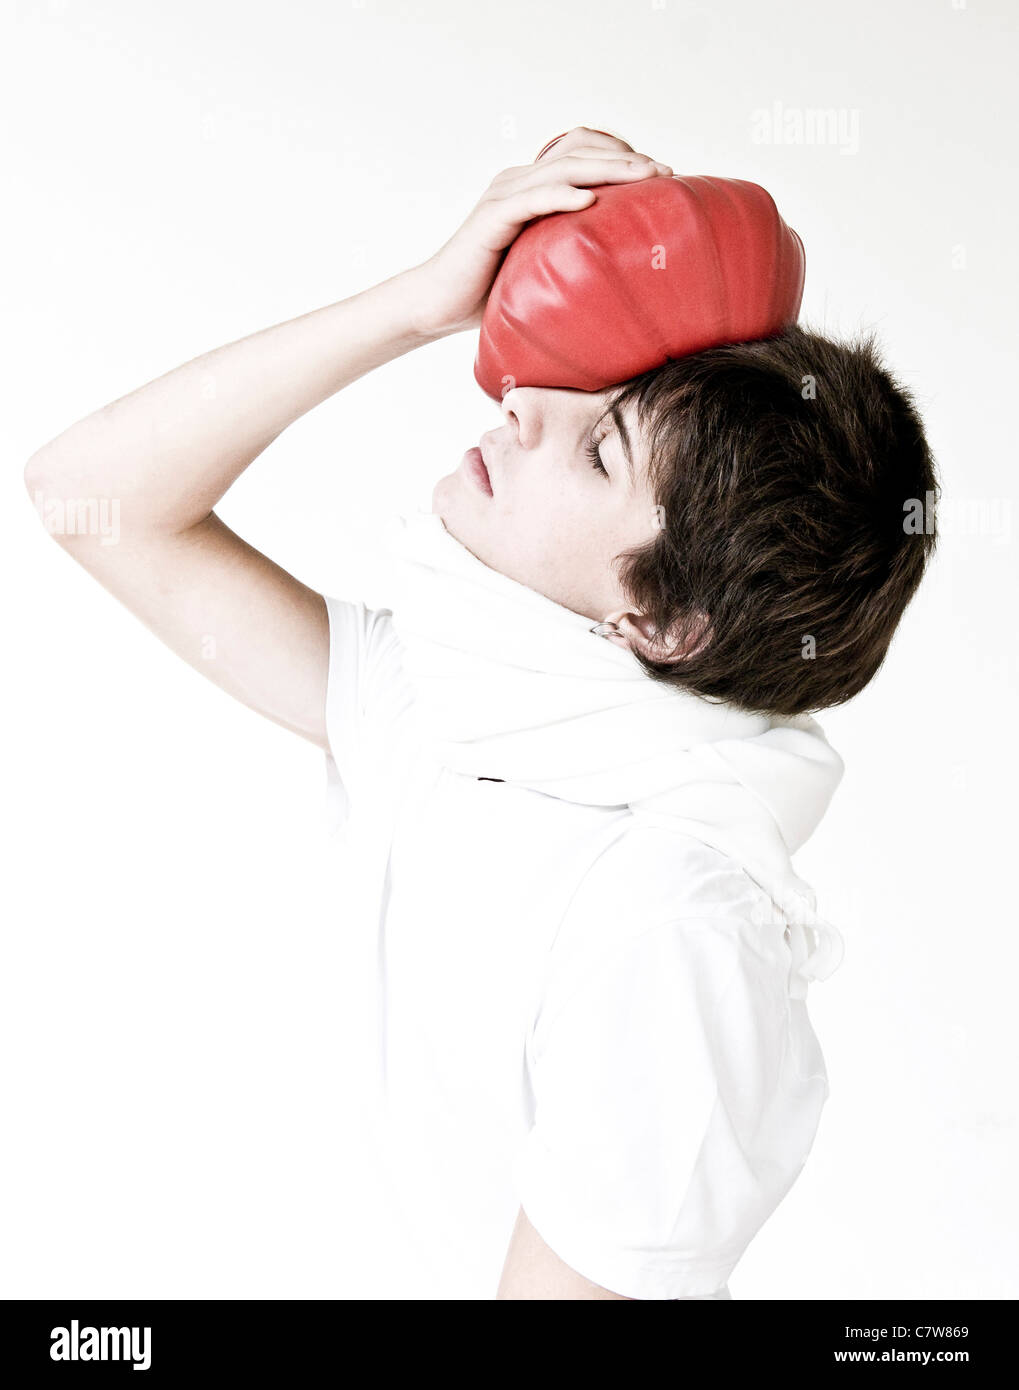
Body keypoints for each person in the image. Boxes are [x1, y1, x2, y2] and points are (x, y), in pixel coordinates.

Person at [25, 127, 939, 1300]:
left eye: (600, 449)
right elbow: (91, 497)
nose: (527, 404)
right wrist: (415, 303)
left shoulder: (669, 924)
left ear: (662, 624)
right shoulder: (469, 724)